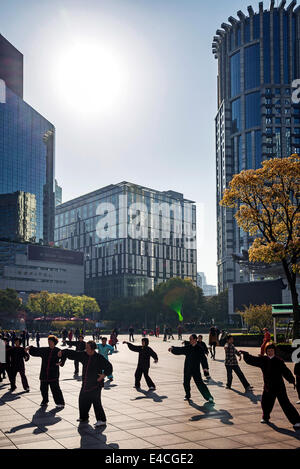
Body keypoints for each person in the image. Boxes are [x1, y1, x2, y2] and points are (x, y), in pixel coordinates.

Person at [240, 344, 300, 429]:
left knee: (286, 404)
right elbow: (253, 360)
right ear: (266, 352)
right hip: (268, 386)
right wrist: (246, 354)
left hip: (279, 386)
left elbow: (285, 371)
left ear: (274, 351)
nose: (270, 352)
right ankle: (265, 417)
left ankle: (297, 421)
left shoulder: (279, 360)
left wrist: (291, 380)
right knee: (265, 402)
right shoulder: (263, 360)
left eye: (271, 351)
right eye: (268, 351)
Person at [59, 340, 112, 427]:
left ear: (92, 349)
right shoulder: (84, 355)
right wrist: (63, 351)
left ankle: (102, 420)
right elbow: (74, 354)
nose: (85, 349)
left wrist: (103, 375)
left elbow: (109, 367)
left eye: (87, 347)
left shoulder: (99, 358)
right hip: (86, 383)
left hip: (96, 384)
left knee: (96, 402)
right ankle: (84, 417)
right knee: (82, 400)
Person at [169, 334, 214, 404]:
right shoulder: (188, 347)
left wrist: (205, 368)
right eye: (189, 339)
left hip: (195, 369)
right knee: (186, 382)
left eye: (191, 339)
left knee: (200, 383)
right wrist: (173, 349)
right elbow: (180, 350)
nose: (190, 341)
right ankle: (187, 395)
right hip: (187, 368)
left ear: (195, 339)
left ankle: (209, 397)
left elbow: (203, 359)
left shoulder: (199, 348)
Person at [26, 335, 66, 408]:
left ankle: (60, 402)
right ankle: (45, 401)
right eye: (48, 341)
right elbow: (37, 350)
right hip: (44, 373)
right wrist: (30, 348)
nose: (49, 343)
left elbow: (64, 356)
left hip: (53, 373)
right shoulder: (45, 350)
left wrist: (61, 362)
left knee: (55, 389)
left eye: (50, 342)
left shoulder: (58, 350)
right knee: (43, 388)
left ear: (54, 342)